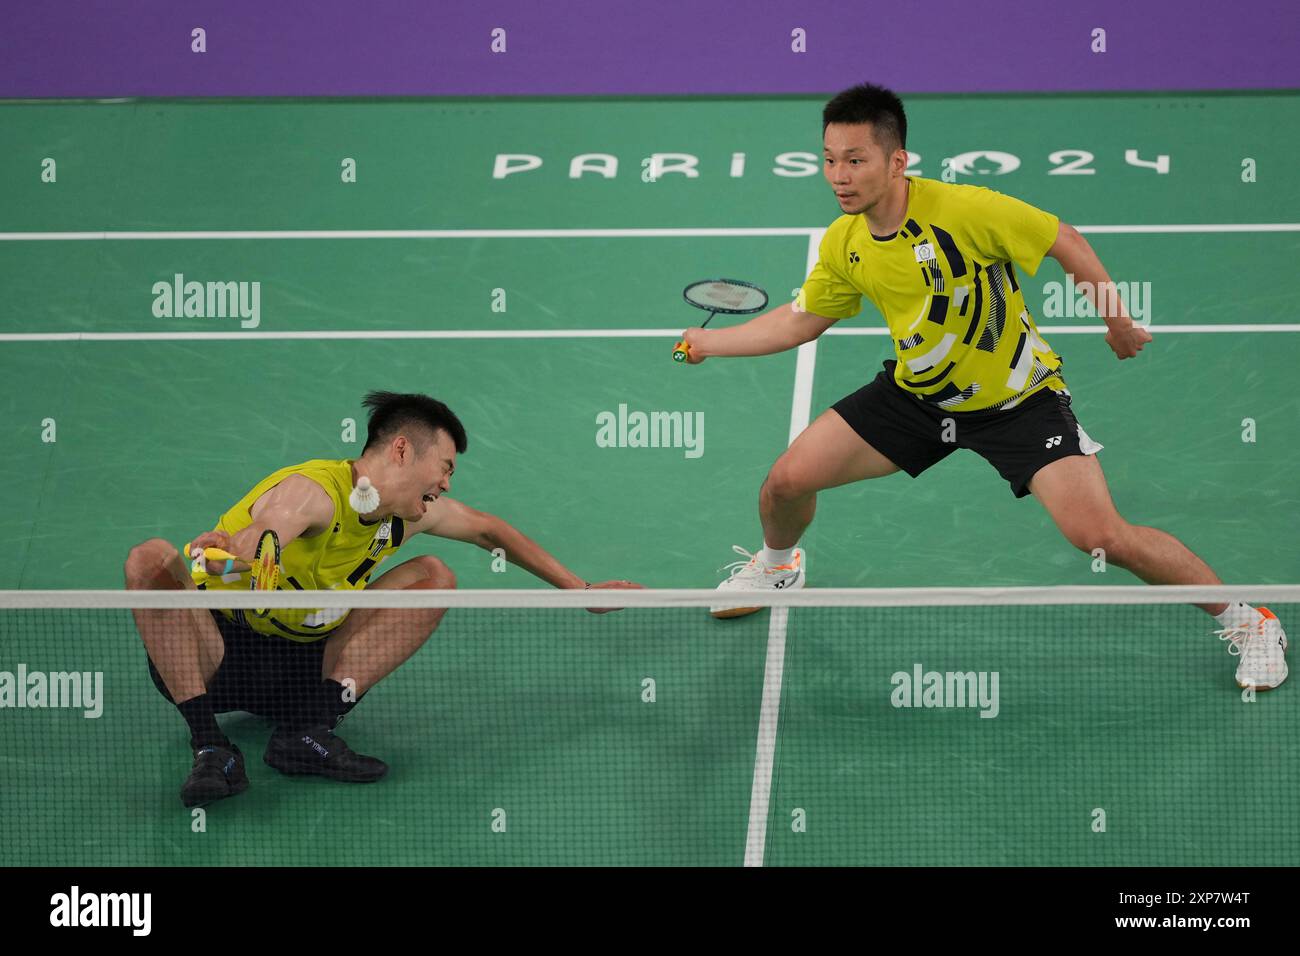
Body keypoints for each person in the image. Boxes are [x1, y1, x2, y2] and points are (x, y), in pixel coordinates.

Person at [678, 82, 1286, 693]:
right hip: (919, 398)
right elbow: (803, 318)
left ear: (897, 161)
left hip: (1018, 402)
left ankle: (1252, 623)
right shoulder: (847, 242)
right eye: (830, 159)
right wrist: (711, 344)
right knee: (786, 480)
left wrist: (1117, 319)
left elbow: (1063, 239)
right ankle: (778, 568)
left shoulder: (966, 210)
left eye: (855, 160)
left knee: (1101, 536)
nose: (839, 175)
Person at [124, 390, 642, 807]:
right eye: (444, 466)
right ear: (400, 450)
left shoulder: (403, 515)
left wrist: (579, 589)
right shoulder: (317, 491)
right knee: (149, 558)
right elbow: (274, 522)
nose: (444, 482)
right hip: (215, 657)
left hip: (303, 665)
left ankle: (307, 733)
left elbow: (488, 531)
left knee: (434, 576)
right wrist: (253, 546)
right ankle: (211, 746)